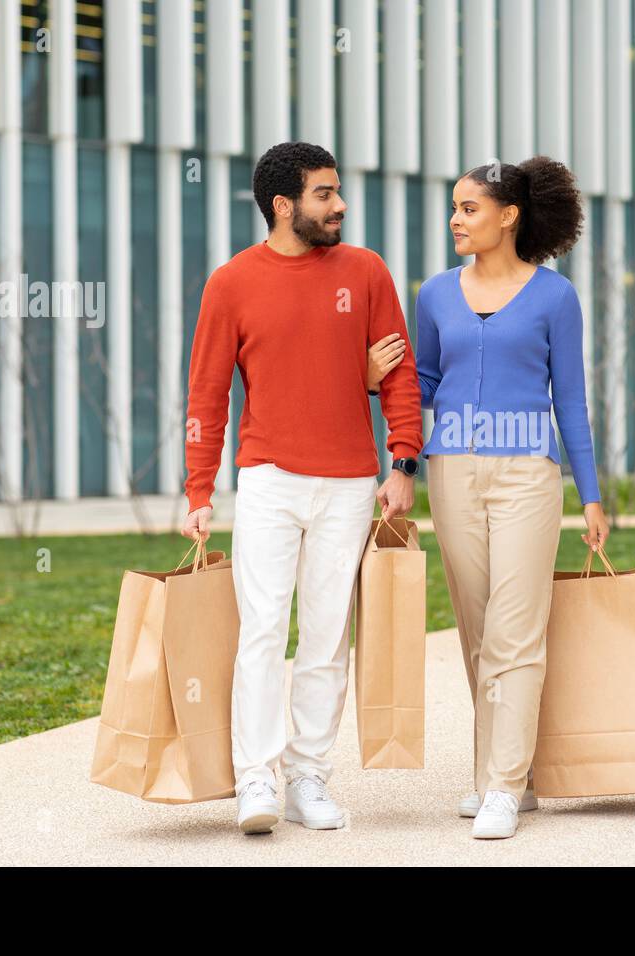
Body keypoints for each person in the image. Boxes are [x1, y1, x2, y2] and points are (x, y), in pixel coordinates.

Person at [182, 141, 423, 835]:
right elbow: (206, 398)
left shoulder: (366, 271)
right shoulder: (231, 283)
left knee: (326, 638)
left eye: (338, 191)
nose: (340, 204)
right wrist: (200, 491)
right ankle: (256, 775)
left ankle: (308, 777)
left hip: (350, 485)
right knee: (261, 630)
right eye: (325, 194)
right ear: (283, 205)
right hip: (268, 480)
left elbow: (400, 374)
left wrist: (402, 460)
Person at [369, 156, 608, 839]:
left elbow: (571, 399)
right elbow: (420, 382)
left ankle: (500, 785)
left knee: (516, 628)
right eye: (454, 208)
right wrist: (404, 464)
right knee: (477, 629)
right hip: (452, 471)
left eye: (469, 208)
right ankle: (509, 774)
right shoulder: (436, 294)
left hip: (527, 473)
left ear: (509, 217)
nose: (455, 220)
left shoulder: (555, 298)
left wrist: (589, 494)